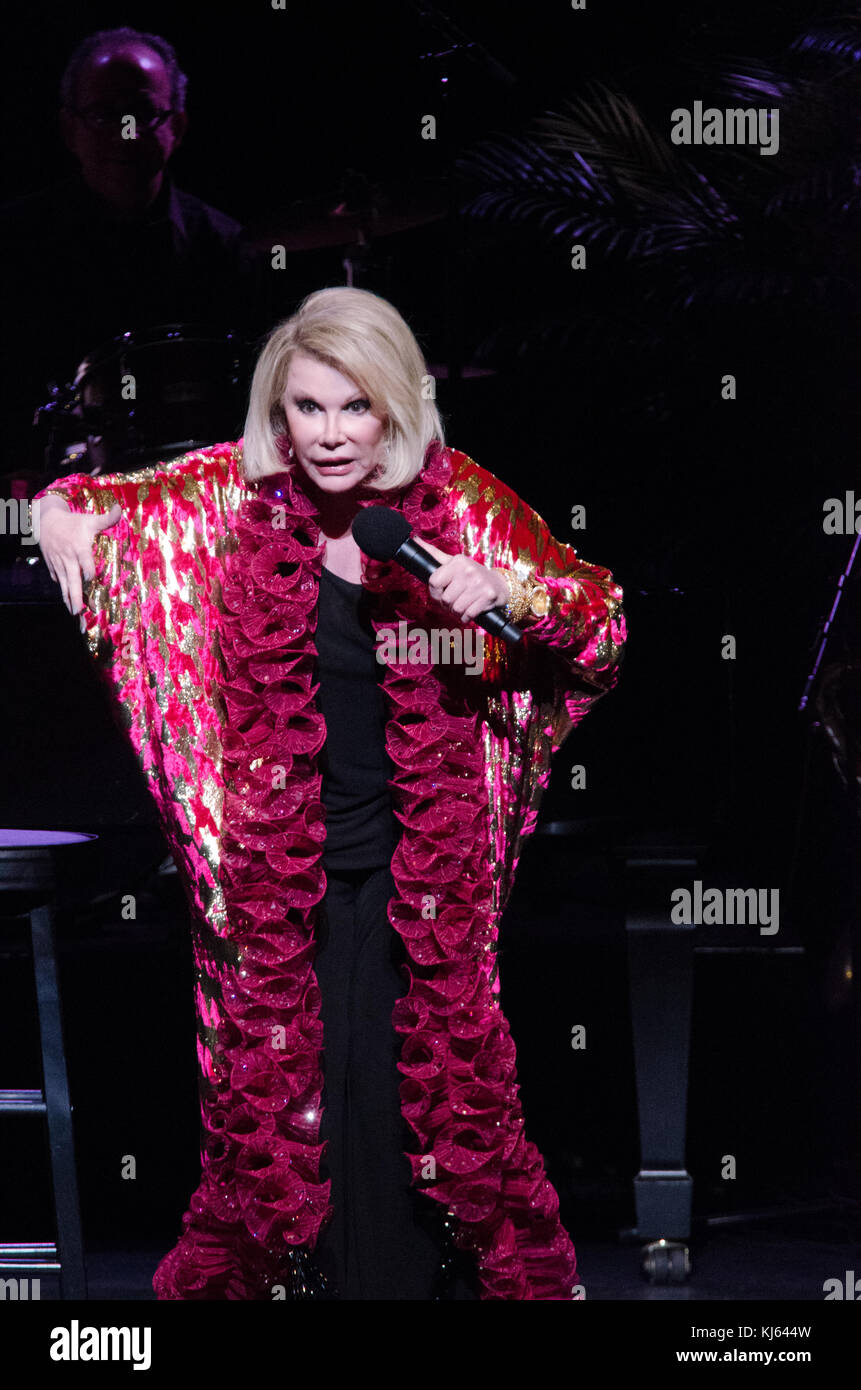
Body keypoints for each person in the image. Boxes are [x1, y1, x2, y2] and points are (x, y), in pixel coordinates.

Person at [35, 286, 627, 1300]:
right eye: (308, 407)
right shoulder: (234, 497)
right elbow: (87, 500)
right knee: (282, 1117)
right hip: (282, 883)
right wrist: (53, 515)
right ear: (280, 412)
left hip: (419, 879)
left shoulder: (460, 504)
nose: (331, 433)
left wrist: (509, 594)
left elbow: (601, 620)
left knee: (411, 1113)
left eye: (355, 407)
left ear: (395, 408)